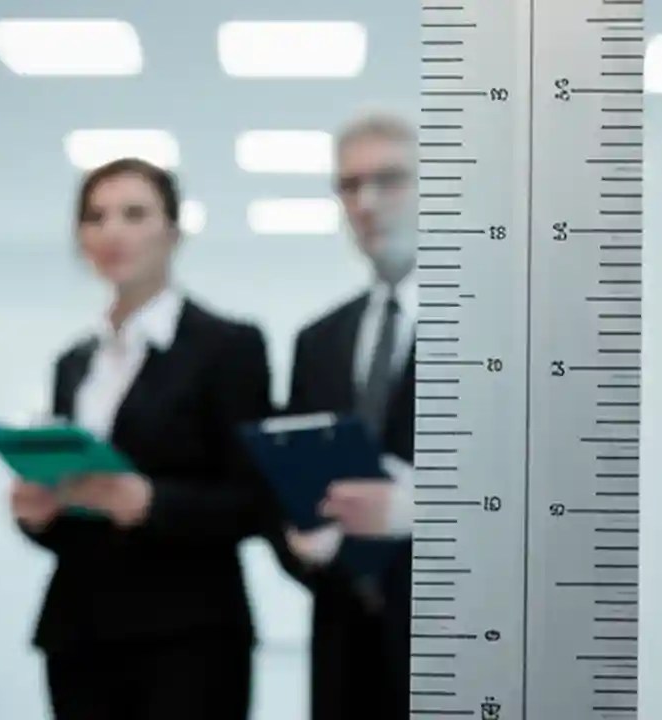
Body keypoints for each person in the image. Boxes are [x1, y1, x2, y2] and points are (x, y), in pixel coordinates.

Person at [10, 158, 276, 720]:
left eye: (134, 214)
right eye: (96, 216)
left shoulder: (228, 347)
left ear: (173, 233)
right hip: (79, 635)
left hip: (188, 639)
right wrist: (39, 516)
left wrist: (149, 502)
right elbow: (76, 515)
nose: (112, 231)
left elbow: (254, 502)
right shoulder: (74, 363)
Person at [281, 111, 419, 720]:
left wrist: (418, 509)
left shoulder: (494, 328)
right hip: (342, 643)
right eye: (349, 185)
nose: (365, 202)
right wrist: (299, 542)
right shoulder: (319, 339)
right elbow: (286, 485)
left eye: (389, 179)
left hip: (454, 636)